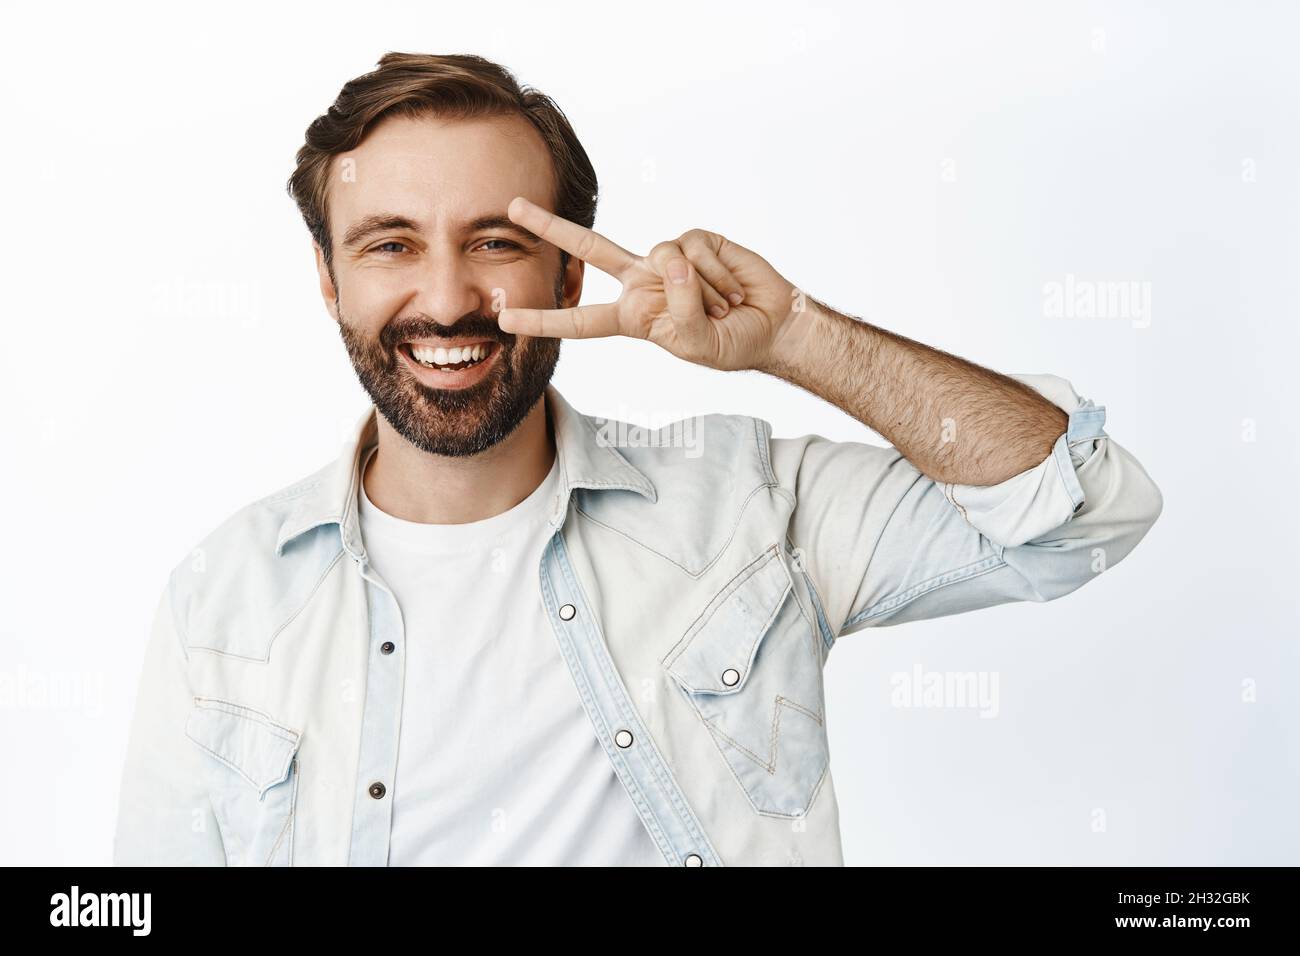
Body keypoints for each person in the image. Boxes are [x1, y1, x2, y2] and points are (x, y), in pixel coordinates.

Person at [112, 52, 1162, 867]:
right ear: (328, 276)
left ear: (572, 273)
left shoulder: (748, 510)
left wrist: (795, 333)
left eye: (495, 240)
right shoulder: (224, 600)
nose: (442, 299)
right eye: (390, 242)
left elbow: (1084, 506)